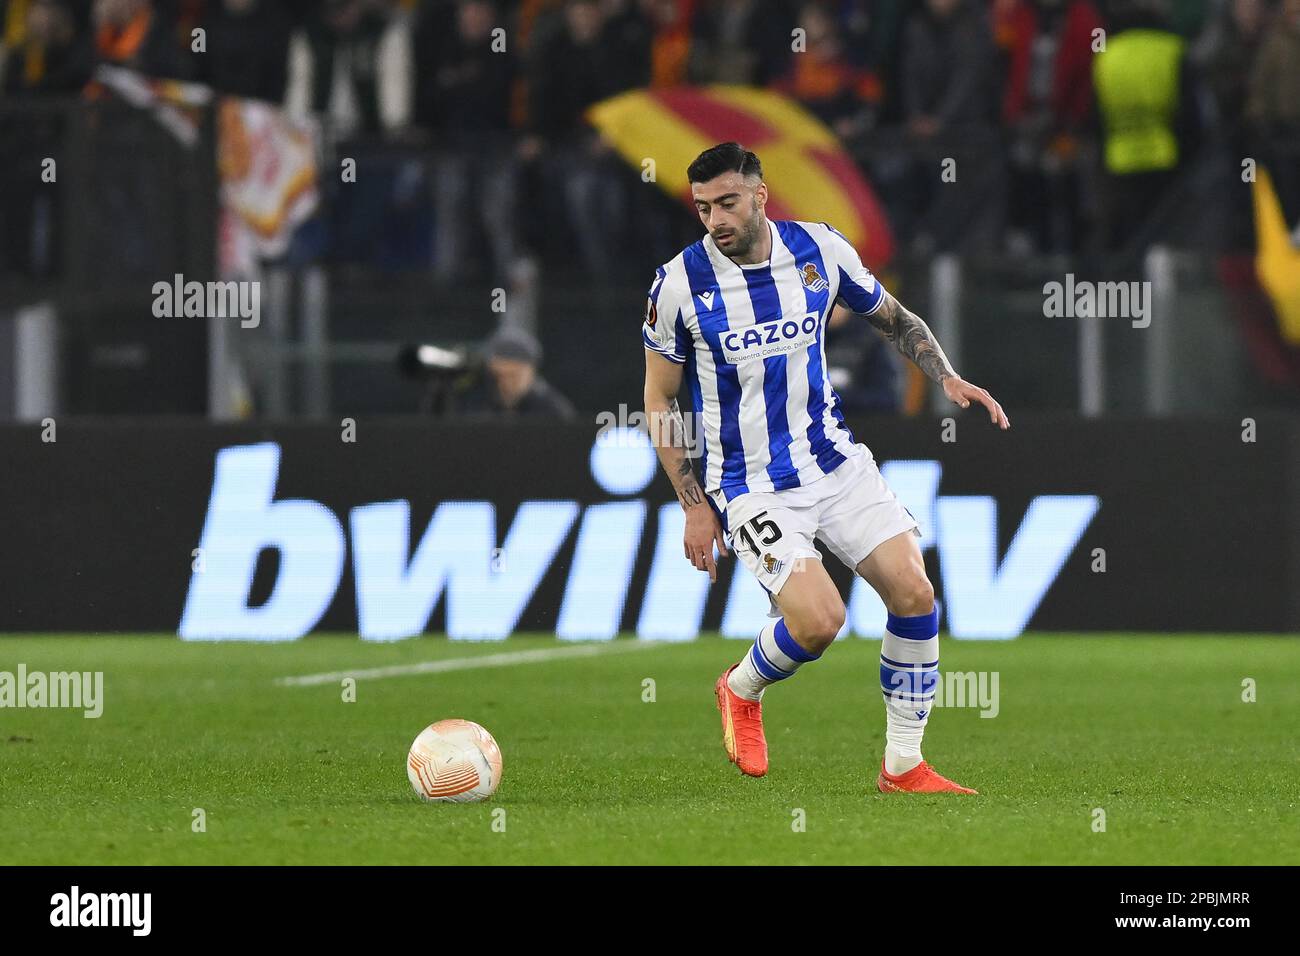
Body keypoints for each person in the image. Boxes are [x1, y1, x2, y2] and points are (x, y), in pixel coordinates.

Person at [641, 143, 1009, 794]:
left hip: (834, 462)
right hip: (749, 486)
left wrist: (947, 376)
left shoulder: (820, 250)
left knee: (914, 592)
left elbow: (893, 320)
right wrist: (693, 503)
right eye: (702, 208)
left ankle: (903, 766)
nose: (715, 219)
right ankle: (741, 687)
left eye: (727, 202)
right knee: (818, 621)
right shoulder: (678, 285)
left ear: (760, 194)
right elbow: (659, 395)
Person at [460, 325, 576, 420]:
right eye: (498, 376)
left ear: (531, 372)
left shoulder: (552, 410)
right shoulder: (478, 404)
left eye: (513, 376)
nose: (505, 383)